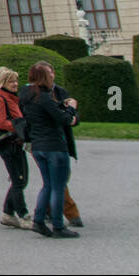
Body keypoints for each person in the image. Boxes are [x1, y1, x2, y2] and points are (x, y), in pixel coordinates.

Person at [19, 61, 79, 238]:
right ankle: (58, 226)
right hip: (54, 146)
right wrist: (72, 110)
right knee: (58, 187)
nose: (52, 76)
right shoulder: (44, 97)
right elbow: (63, 119)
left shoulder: (26, 96)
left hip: (38, 145)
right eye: (49, 73)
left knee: (47, 184)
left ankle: (38, 221)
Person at [0, 66, 32, 230]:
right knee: (18, 181)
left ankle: (8, 213)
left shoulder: (11, 97)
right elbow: (0, 122)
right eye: (11, 81)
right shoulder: (0, 99)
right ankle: (23, 215)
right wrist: (18, 128)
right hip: (8, 144)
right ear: (2, 84)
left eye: (15, 80)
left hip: (16, 143)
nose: (15, 84)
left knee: (20, 180)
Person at [52, 77, 84, 228]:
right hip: (45, 143)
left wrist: (73, 118)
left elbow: (73, 117)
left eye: (51, 73)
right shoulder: (35, 94)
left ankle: (47, 209)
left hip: (62, 141)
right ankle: (72, 213)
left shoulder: (60, 92)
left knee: (58, 177)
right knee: (59, 177)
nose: (50, 77)